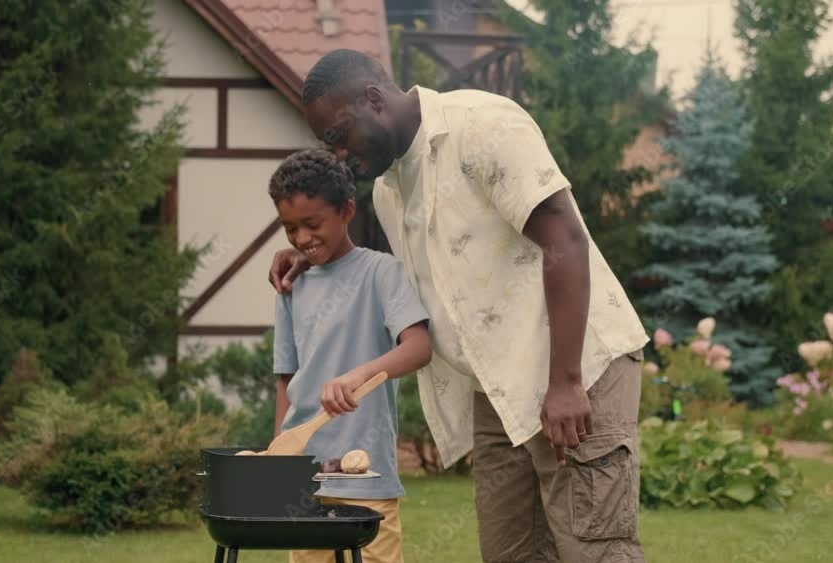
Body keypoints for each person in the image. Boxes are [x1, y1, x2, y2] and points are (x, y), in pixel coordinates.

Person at [269, 50, 651, 563]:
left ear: (374, 99)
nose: (337, 154)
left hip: (578, 368)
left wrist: (565, 382)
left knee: (595, 550)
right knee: (511, 554)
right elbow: (404, 275)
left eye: (340, 135)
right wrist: (312, 253)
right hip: (494, 390)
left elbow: (565, 240)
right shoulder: (387, 192)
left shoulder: (482, 125)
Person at [268, 148, 432, 563]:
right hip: (304, 480)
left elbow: (418, 347)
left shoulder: (381, 272)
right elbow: (286, 377)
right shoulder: (291, 284)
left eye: (312, 224)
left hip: (367, 476)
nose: (302, 238)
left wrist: (359, 375)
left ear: (346, 211)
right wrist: (278, 459)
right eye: (290, 228)